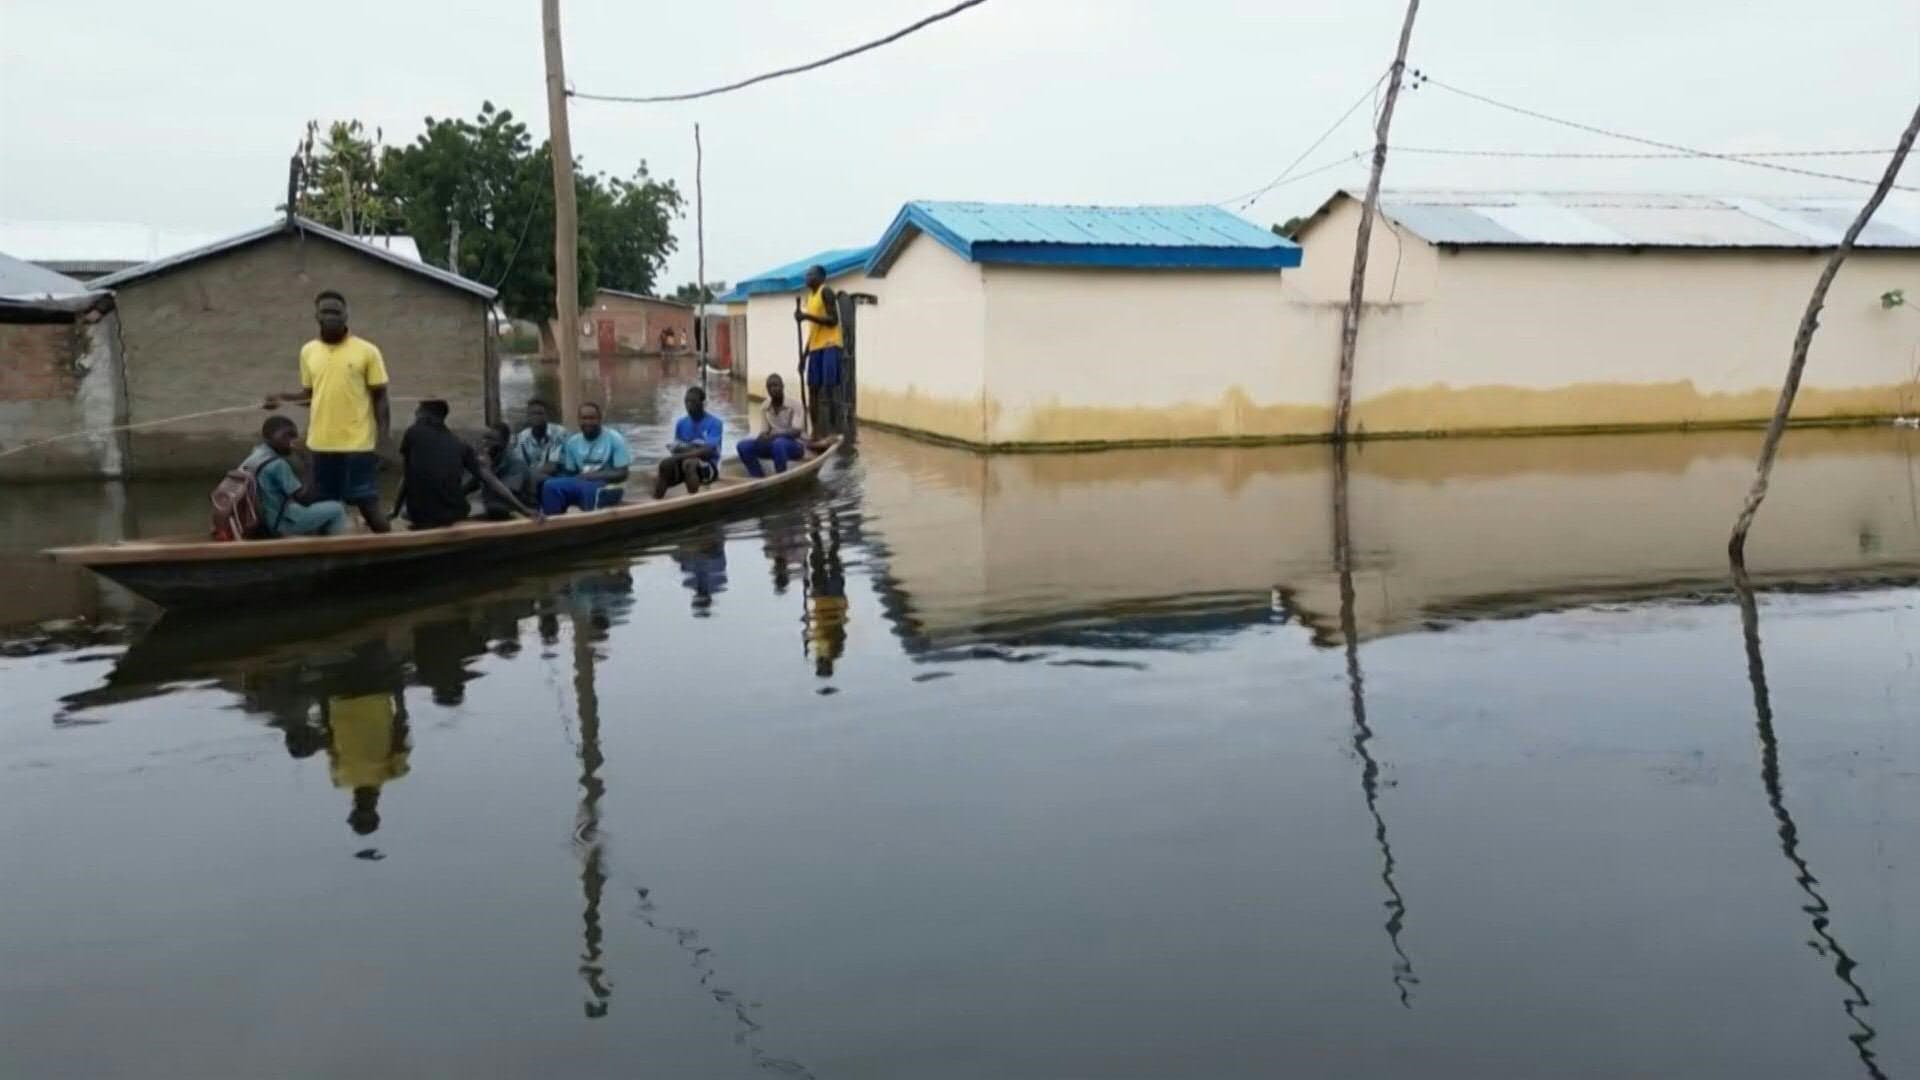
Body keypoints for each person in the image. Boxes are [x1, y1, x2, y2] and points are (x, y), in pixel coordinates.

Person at [264, 290, 393, 533]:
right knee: (321, 502)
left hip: (357, 447)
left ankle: (394, 551)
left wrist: (383, 439)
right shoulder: (308, 351)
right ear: (317, 316)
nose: (332, 316)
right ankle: (330, 554)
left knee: (368, 505)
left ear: (346, 315)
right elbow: (311, 396)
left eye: (337, 311)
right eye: (326, 311)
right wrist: (281, 398)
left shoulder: (368, 351)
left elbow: (381, 398)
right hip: (320, 446)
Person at [391, 400, 538, 529]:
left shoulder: (413, 432)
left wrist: (524, 510)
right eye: (485, 439)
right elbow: (482, 483)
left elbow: (406, 475)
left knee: (495, 508)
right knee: (408, 512)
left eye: (418, 411)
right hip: (449, 513)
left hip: (425, 514)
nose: (486, 444)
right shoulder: (460, 444)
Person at [251, 415, 350, 538]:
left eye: (293, 436)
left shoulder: (256, 454)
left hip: (265, 516)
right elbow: (305, 500)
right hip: (280, 523)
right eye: (285, 436)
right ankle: (335, 551)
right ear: (268, 437)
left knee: (320, 504)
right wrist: (309, 464)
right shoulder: (277, 465)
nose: (291, 442)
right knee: (337, 509)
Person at [543, 402, 632, 514]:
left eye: (592, 418)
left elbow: (623, 474)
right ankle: (554, 524)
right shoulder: (572, 442)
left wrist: (591, 476)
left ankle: (591, 525)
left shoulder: (615, 439)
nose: (588, 422)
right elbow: (571, 474)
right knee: (550, 485)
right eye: (584, 418)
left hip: (610, 487)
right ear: (579, 420)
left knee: (588, 489)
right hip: (583, 484)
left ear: (600, 419)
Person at [794, 264, 843, 432]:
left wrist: (806, 316)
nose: (807, 278)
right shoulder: (809, 297)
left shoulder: (826, 291)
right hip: (815, 348)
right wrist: (804, 356)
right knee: (813, 389)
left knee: (829, 389)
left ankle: (834, 429)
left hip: (830, 345)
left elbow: (833, 320)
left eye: (811, 275)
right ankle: (815, 430)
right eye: (806, 275)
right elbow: (813, 330)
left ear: (821, 277)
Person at [654, 385, 723, 498]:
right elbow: (676, 448)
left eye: (693, 402)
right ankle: (656, 502)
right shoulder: (681, 423)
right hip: (684, 462)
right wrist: (682, 453)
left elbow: (707, 451)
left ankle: (693, 501)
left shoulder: (715, 423)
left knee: (689, 463)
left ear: (703, 404)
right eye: (686, 402)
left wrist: (681, 454)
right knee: (665, 464)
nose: (688, 405)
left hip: (709, 466)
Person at [735, 373, 807, 477]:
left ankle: (781, 478)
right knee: (743, 446)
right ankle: (758, 478)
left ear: (782, 386)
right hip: (774, 444)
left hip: (795, 446)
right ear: (767, 390)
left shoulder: (795, 405)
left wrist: (776, 434)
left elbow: (796, 432)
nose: (773, 389)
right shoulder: (765, 406)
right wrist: (762, 437)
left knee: (779, 443)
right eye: (770, 387)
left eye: (776, 385)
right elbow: (764, 430)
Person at [476, 422, 537, 520]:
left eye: (491, 439)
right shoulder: (491, 459)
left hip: (520, 510)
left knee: (493, 507)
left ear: (504, 442)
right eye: (484, 438)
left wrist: (487, 471)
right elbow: (472, 483)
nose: (485, 443)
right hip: (499, 508)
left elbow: (504, 496)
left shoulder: (516, 464)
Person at [513, 398, 569, 475]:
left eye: (540, 413)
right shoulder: (522, 436)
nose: (536, 417)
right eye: (533, 414)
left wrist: (529, 475)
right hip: (530, 476)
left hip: (555, 475)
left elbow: (552, 466)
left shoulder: (558, 432)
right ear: (528, 417)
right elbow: (520, 464)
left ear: (547, 416)